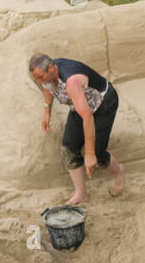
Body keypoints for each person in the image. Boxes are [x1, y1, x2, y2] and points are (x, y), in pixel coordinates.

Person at [29, 54, 125, 205]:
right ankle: (81, 194)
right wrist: (47, 111)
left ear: (51, 68)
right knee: (68, 149)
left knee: (98, 154)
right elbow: (47, 88)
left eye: (41, 77)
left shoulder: (71, 81)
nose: (40, 81)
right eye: (37, 79)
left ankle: (119, 172)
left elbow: (87, 116)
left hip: (103, 104)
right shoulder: (46, 75)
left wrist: (89, 153)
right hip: (79, 105)